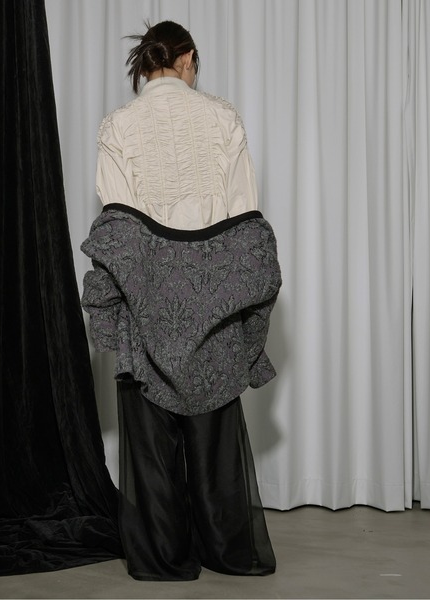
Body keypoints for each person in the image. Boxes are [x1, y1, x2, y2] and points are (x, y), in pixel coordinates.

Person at [81, 20, 281, 581]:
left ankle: (163, 556)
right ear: (188, 58)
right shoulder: (223, 117)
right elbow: (244, 215)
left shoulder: (117, 124)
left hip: (145, 296)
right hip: (215, 294)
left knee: (150, 437)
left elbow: (117, 221)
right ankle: (226, 549)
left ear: (147, 65)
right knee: (214, 437)